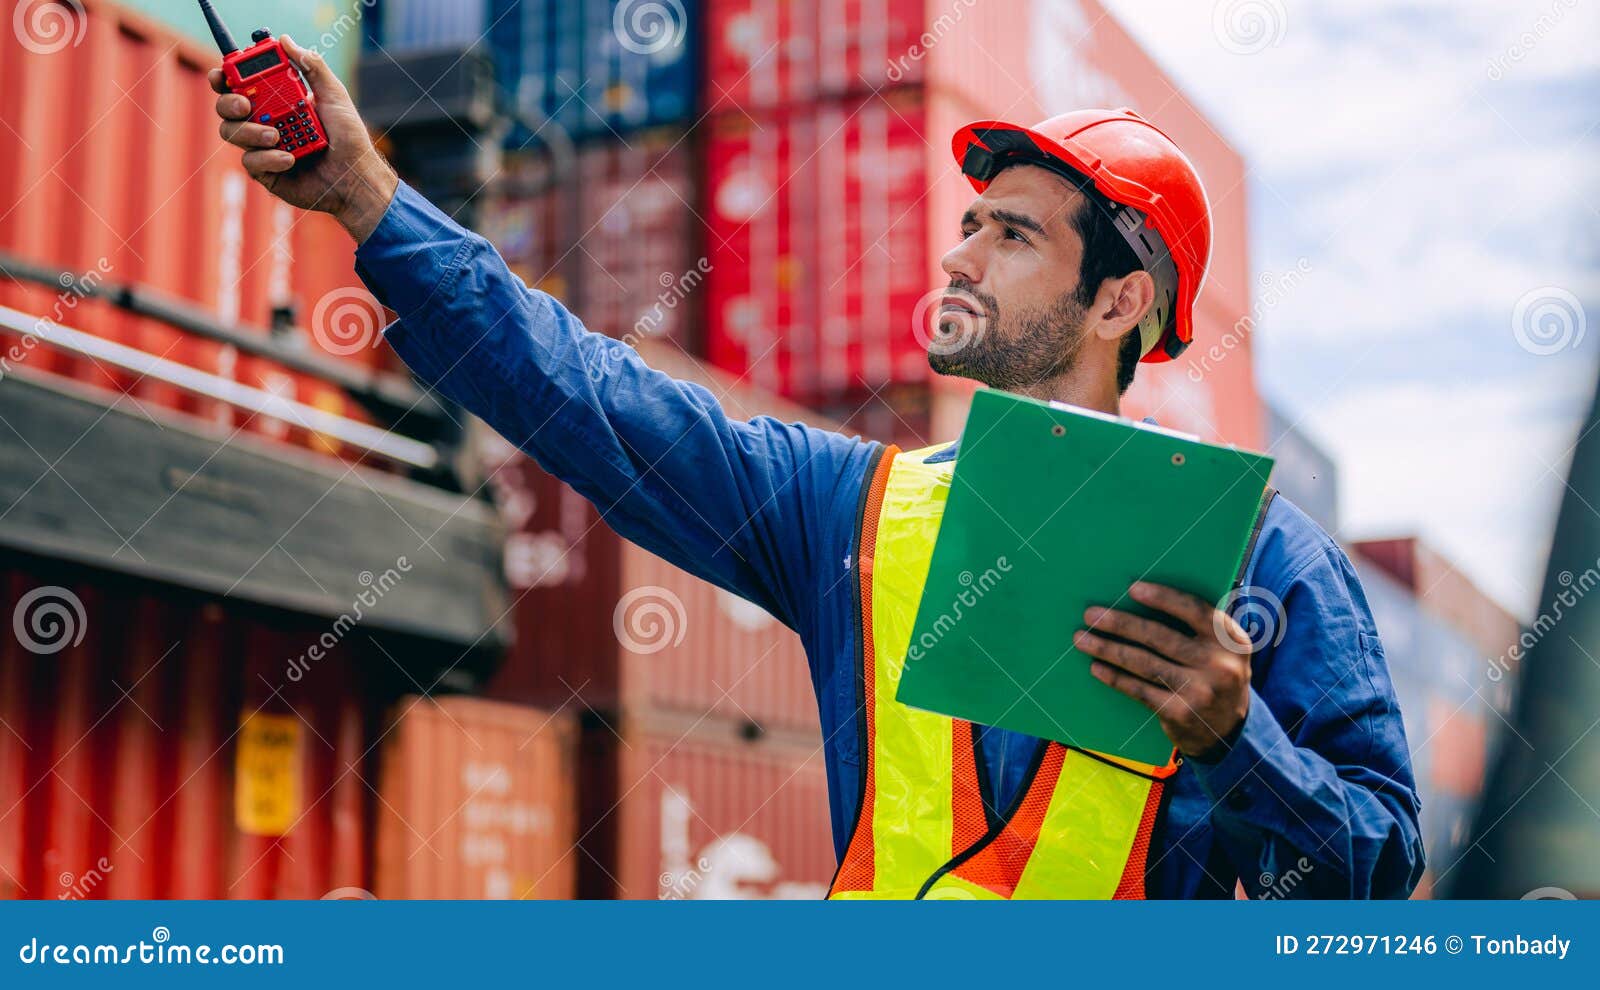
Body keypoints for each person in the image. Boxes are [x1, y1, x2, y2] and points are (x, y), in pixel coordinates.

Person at [210, 38, 1424, 899]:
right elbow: (583, 393)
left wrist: (1232, 735)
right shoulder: (857, 509)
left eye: (1011, 234)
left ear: (1121, 299)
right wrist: (370, 197)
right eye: (967, 223)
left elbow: (1376, 873)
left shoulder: (1267, 559)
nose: (959, 257)